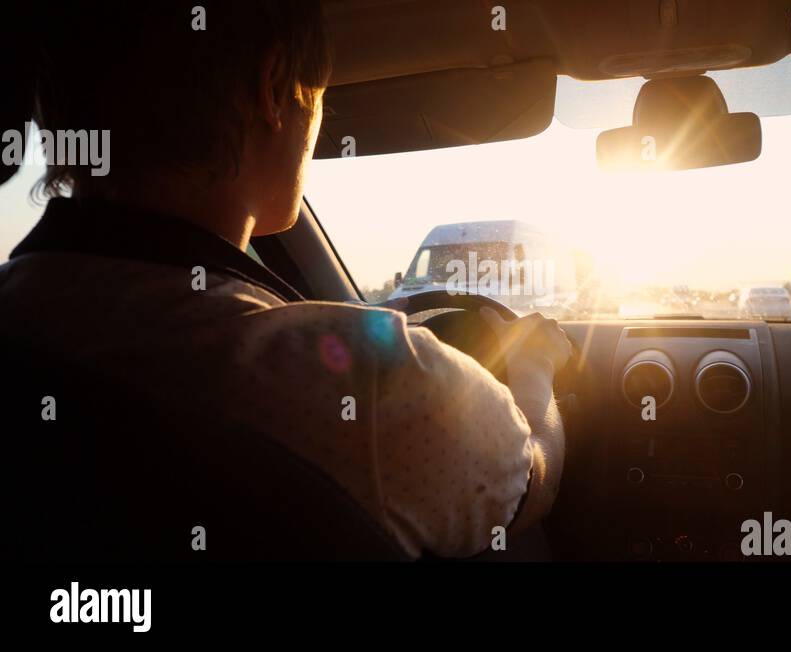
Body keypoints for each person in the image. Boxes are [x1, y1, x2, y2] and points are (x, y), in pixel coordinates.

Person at [0, 0, 571, 559]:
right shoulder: (374, 386)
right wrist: (535, 366)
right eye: (321, 100)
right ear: (275, 88)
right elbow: (528, 481)